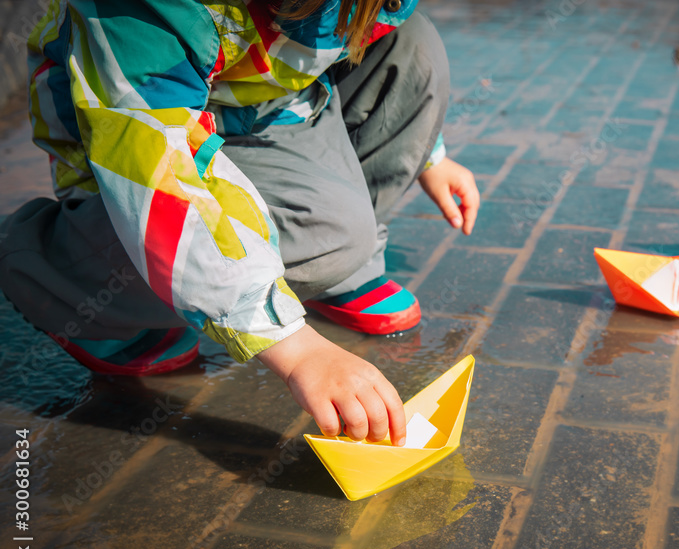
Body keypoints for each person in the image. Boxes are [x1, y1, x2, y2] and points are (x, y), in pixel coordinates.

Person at [0, 0, 481, 448]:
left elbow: (361, 33)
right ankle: (60, 275)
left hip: (262, 102)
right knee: (325, 236)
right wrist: (296, 350)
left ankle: (331, 269)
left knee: (410, 41)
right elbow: (156, 171)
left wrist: (428, 155)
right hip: (130, 137)